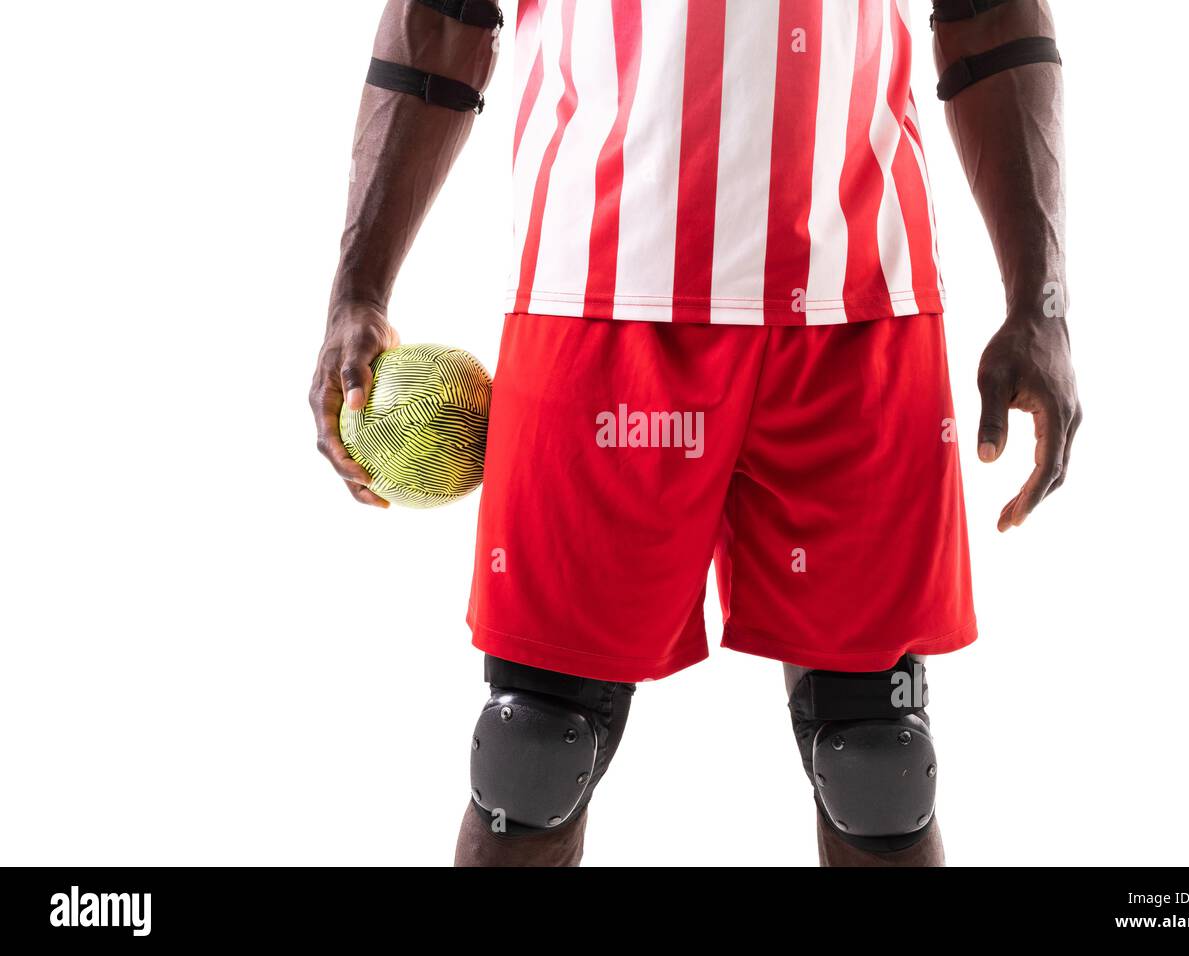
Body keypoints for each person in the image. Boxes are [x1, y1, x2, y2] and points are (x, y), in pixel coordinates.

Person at [310, 0, 1080, 867]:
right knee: (531, 758)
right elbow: (442, 19)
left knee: (879, 768)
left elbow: (990, 16)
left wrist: (1038, 305)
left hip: (856, 299)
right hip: (593, 296)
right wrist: (358, 291)